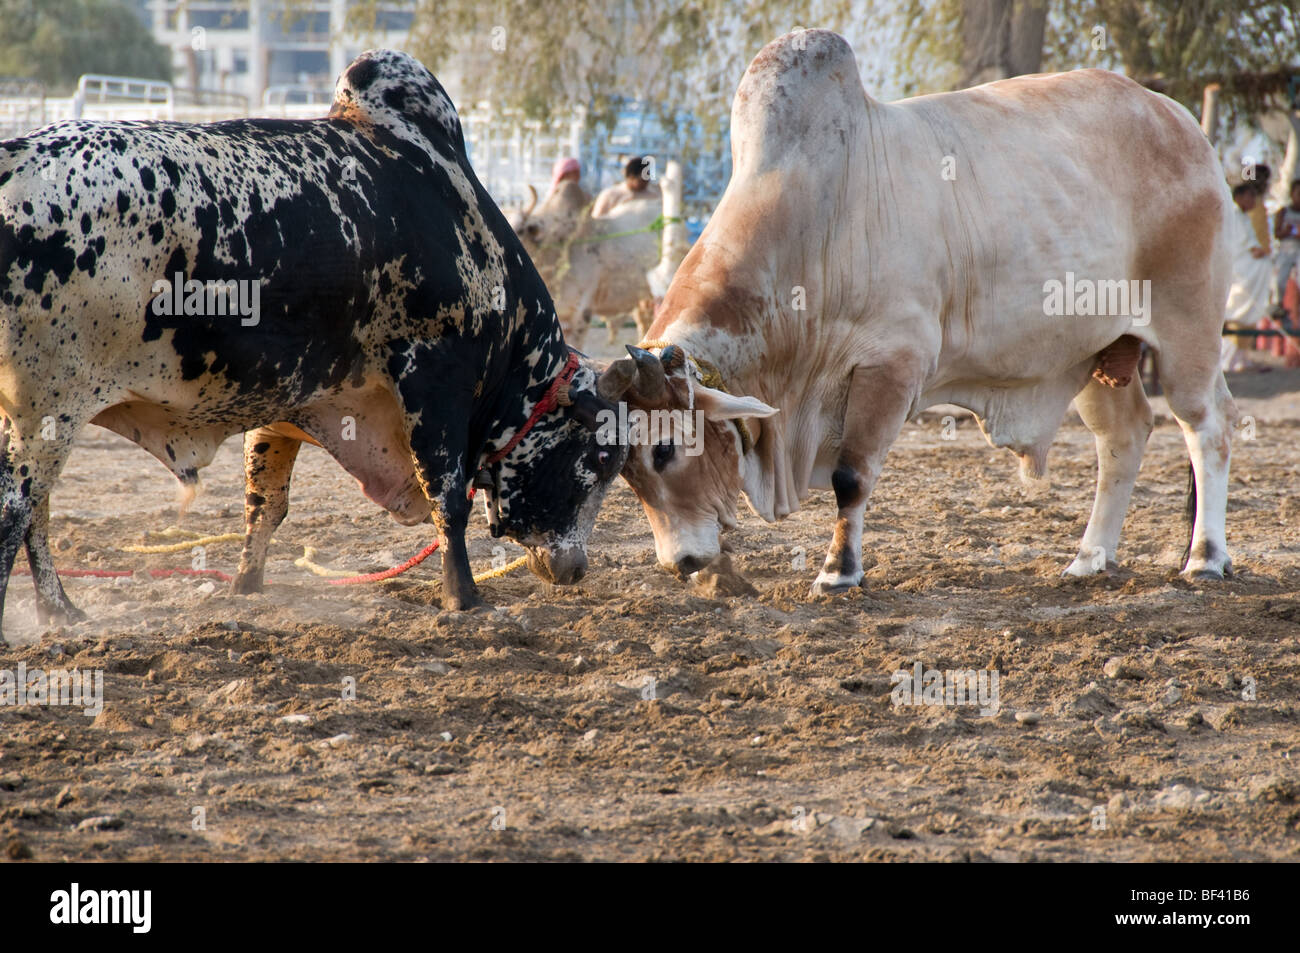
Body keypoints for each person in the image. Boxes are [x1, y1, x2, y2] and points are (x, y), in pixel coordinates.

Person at [1221, 184, 1273, 372]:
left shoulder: (1243, 217)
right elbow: (1245, 245)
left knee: (1247, 315)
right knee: (1237, 313)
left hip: (1248, 269)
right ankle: (1228, 359)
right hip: (1240, 272)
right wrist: (1258, 251)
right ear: (1240, 196)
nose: (1253, 201)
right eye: (1250, 196)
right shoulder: (1234, 216)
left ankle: (1240, 358)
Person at [591, 155, 662, 217]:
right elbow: (597, 218)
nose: (645, 183)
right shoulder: (611, 194)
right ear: (630, 177)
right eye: (641, 180)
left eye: (647, 180)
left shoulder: (654, 195)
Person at [1272, 178, 1300, 323]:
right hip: (1286, 248)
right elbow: (1277, 234)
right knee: (1280, 277)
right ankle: (1278, 304)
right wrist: (1287, 231)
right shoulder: (1283, 212)